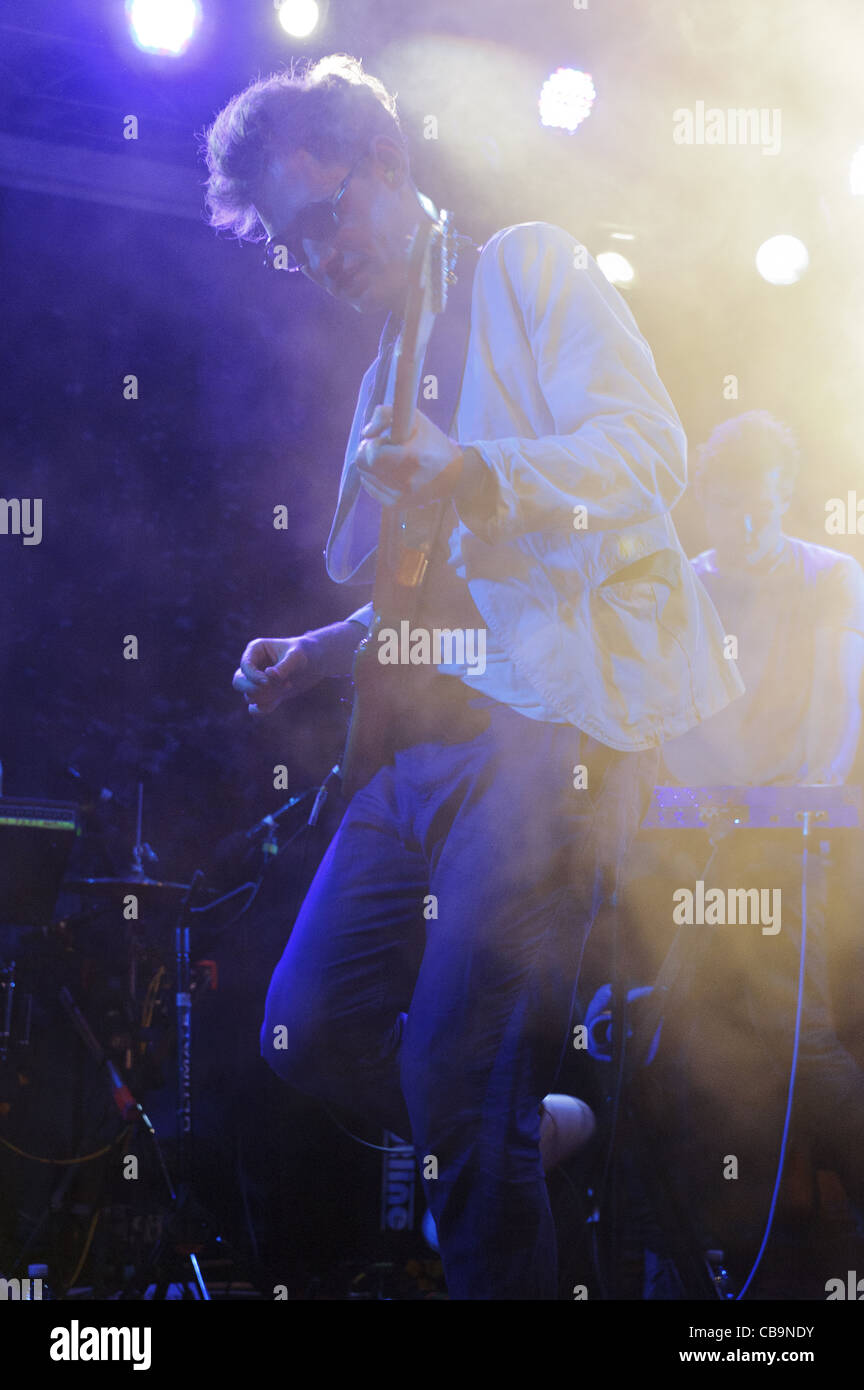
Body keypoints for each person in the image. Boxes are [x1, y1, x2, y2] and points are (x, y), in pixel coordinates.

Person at [204, 54, 742, 1300]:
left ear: (387, 165)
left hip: (551, 728)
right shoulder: (390, 368)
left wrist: (478, 472)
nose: (319, 257)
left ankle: (500, 1143)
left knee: (453, 1062)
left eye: (325, 216)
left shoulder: (530, 268)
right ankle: (531, 1128)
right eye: (294, 245)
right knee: (303, 1025)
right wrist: (322, 649)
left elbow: (649, 450)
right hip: (415, 749)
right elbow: (421, 586)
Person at [633, 410, 864, 1254]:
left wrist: (815, 793)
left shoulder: (830, 574)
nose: (752, 524)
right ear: (707, 504)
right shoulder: (683, 581)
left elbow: (847, 696)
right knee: (684, 1042)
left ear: (785, 496)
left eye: (765, 505)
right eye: (732, 507)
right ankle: (681, 1257)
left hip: (785, 833)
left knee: (795, 1035)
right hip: (692, 841)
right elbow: (653, 706)